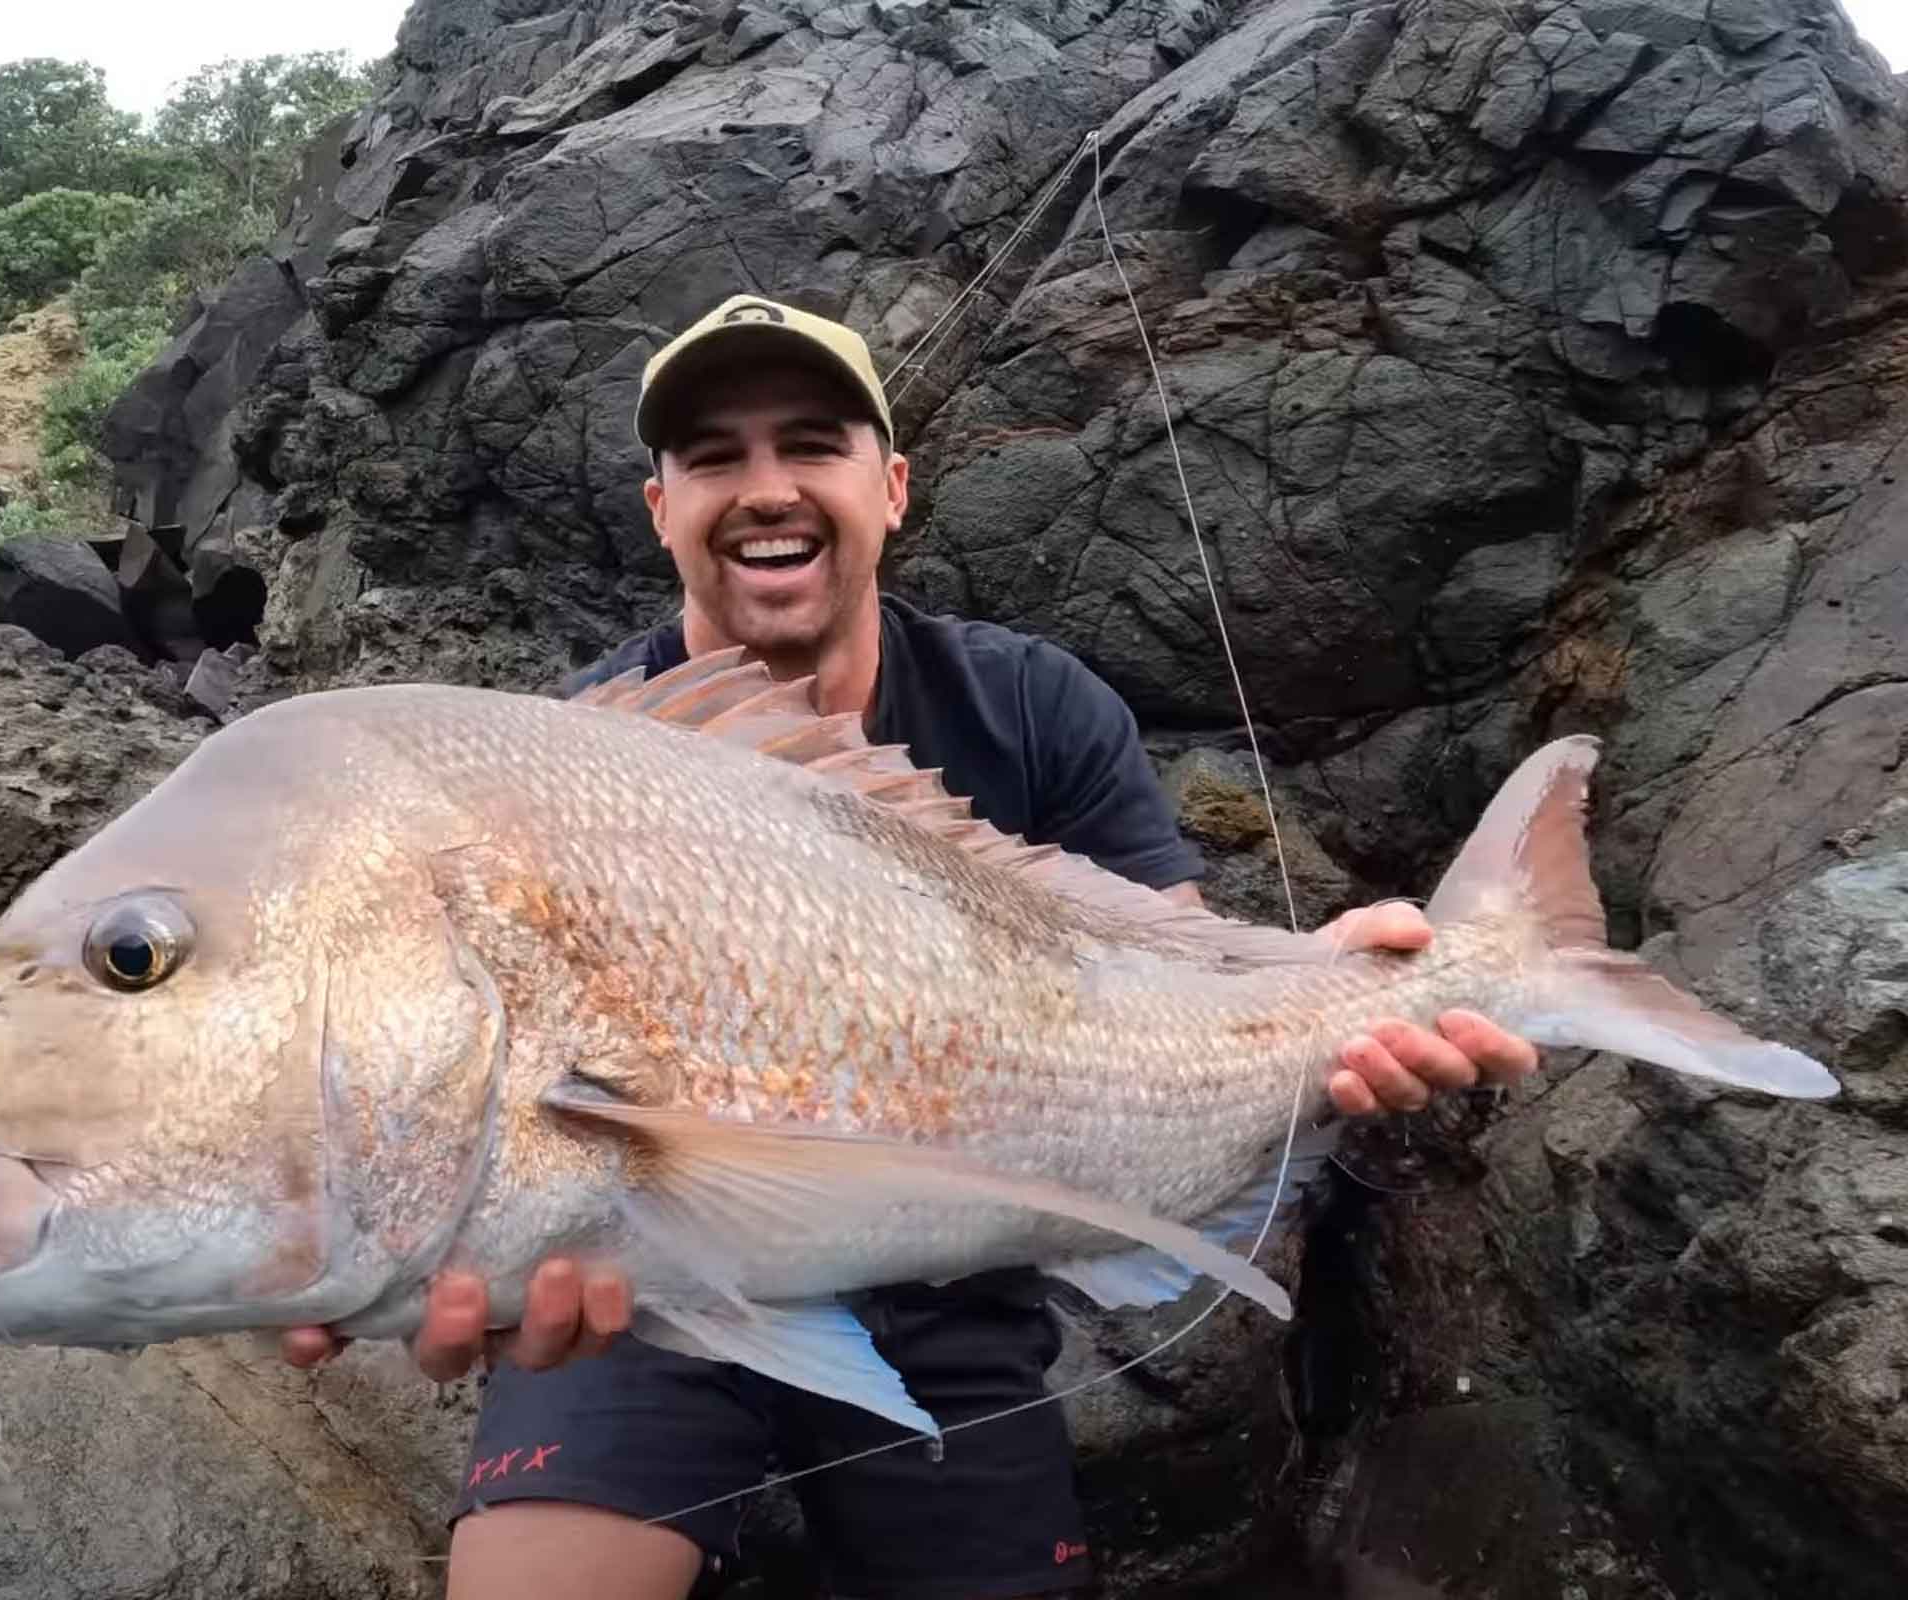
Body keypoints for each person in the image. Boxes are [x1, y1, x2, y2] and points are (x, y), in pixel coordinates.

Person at [283, 294, 1541, 1598]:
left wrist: (1321, 982)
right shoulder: (563, 762)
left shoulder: (1038, 707)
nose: (766, 489)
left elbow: (1175, 961)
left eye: (812, 445)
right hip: (646, 1280)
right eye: (715, 457)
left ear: (890, 488)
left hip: (953, 1281)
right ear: (660, 508)